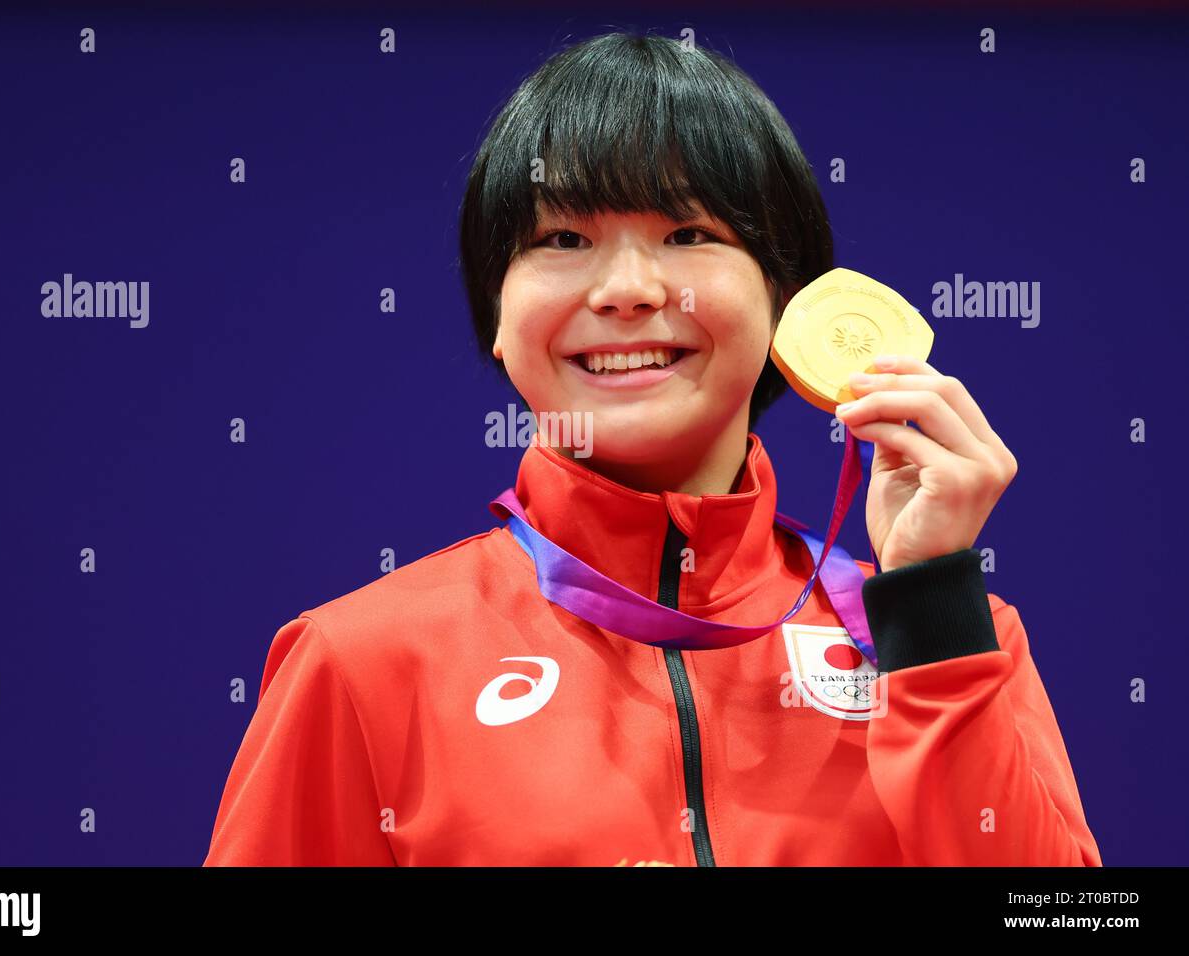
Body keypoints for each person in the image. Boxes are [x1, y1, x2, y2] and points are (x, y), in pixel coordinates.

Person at [203, 31, 1101, 867]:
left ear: (788, 302)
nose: (628, 289)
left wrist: (931, 606)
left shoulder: (946, 637)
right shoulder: (361, 662)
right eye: (563, 239)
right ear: (499, 321)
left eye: (688, 234)